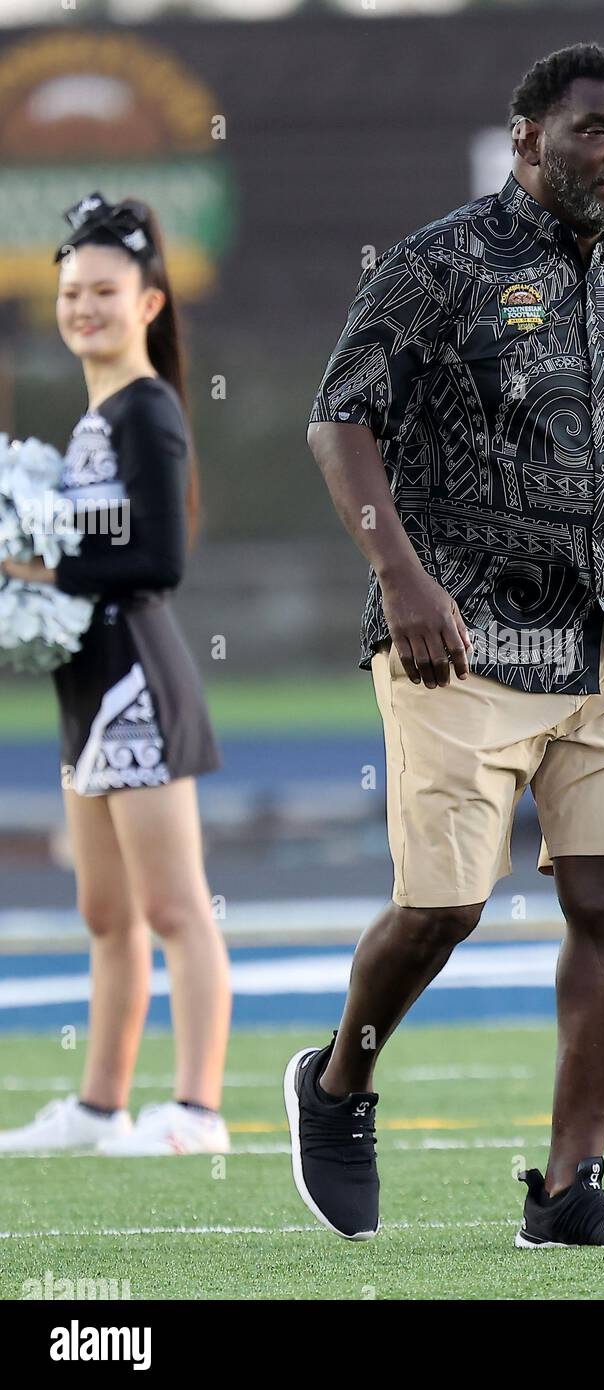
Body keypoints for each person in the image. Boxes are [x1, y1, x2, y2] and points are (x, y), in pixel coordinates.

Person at [286, 43, 604, 1248]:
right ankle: (336, 1084)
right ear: (528, 138)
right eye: (594, 132)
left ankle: (568, 1190)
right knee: (443, 907)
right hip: (455, 631)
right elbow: (338, 421)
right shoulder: (439, 262)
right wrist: (399, 576)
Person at [0, 193, 231, 1158]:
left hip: (136, 680)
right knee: (105, 913)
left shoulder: (147, 409)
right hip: (84, 687)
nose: (83, 306)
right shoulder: (95, 416)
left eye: (105, 290)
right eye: (70, 292)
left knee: (177, 906)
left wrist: (37, 567)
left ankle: (196, 1113)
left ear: (147, 303)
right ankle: (100, 1109)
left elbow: (160, 563)